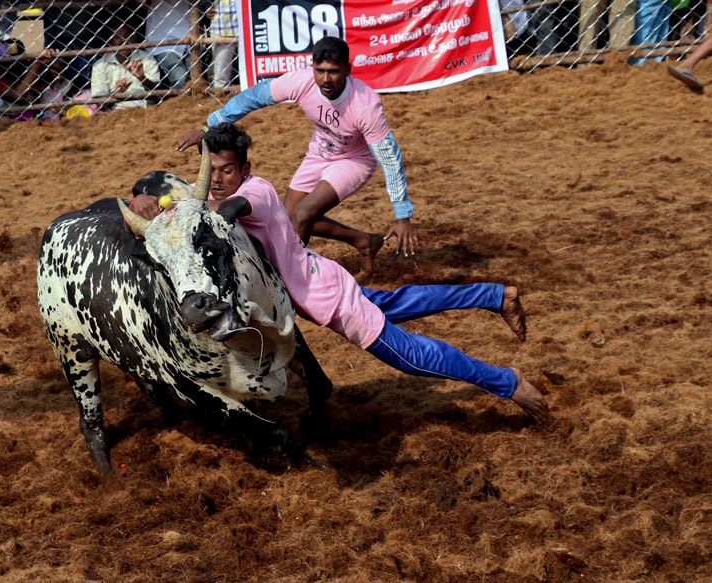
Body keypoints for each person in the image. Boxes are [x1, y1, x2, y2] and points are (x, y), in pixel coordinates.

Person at [135, 123, 550, 422]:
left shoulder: (254, 192)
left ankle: (506, 383)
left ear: (246, 169)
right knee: (398, 303)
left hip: (326, 297)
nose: (221, 180)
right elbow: (196, 208)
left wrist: (182, 207)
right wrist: (155, 200)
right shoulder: (220, 190)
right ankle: (495, 296)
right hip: (322, 277)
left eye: (229, 170)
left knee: (410, 357)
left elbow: (226, 213)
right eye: (216, 171)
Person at [176, 36, 418, 274]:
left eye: (333, 71)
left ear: (348, 69)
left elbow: (389, 158)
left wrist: (403, 215)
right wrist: (209, 126)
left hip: (354, 160)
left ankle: (291, 278)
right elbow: (254, 97)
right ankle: (364, 241)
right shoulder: (301, 81)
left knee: (304, 213)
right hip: (319, 151)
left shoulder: (366, 105)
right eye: (319, 70)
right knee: (287, 218)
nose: (325, 79)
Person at [90, 24, 159, 110]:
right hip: (117, 112)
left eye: (127, 35)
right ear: (109, 43)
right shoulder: (100, 65)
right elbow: (99, 105)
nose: (124, 40)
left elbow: (156, 96)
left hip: (145, 110)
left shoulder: (147, 59)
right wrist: (116, 93)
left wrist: (142, 78)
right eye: (117, 37)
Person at [137, 0, 190, 89]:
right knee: (180, 75)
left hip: (187, 39)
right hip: (162, 42)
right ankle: (178, 101)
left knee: (196, 75)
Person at [207, 0, 237, 94]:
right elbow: (204, 3)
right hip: (222, 28)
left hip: (248, 26)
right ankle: (220, 97)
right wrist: (207, 7)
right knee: (221, 75)